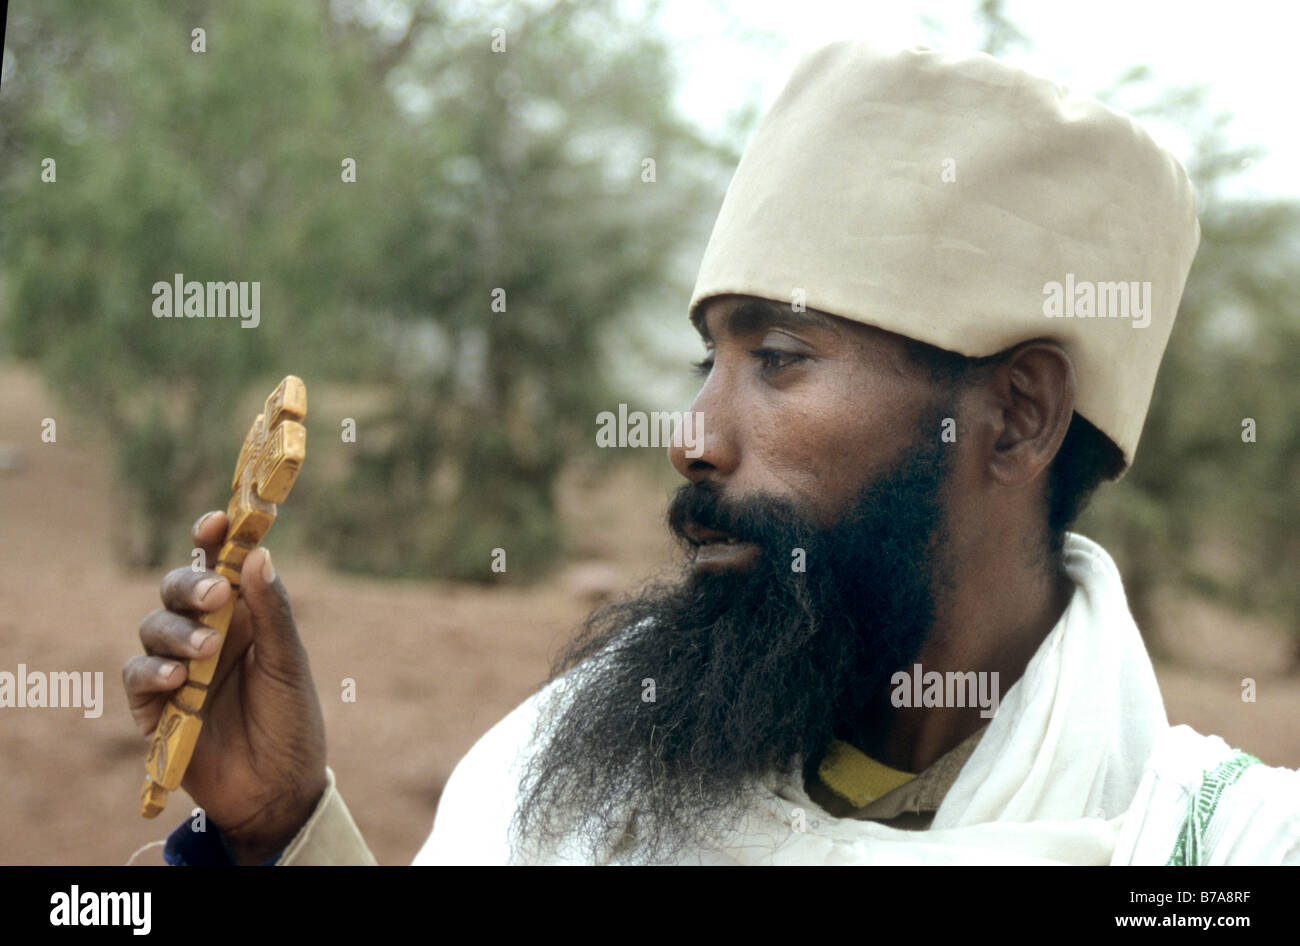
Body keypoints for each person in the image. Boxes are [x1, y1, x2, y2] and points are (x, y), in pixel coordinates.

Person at [124, 41, 1300, 865]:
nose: (692, 438)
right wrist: (280, 829)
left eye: (779, 358)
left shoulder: (1215, 850)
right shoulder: (580, 763)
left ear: (1018, 415)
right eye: (706, 363)